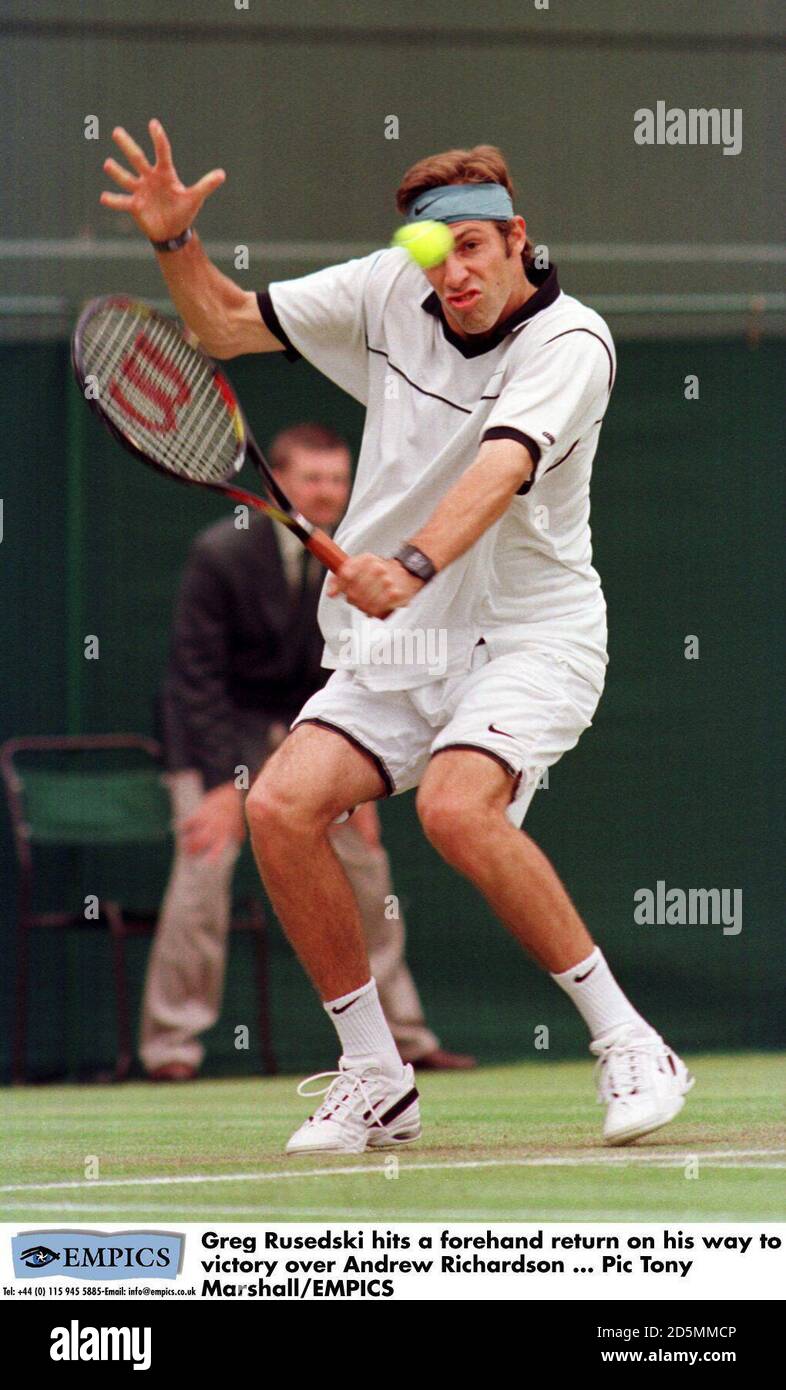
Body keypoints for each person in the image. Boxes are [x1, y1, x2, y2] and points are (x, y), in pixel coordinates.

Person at [102, 122, 693, 1153]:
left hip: (530, 633)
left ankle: (631, 1040)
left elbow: (500, 467)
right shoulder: (388, 290)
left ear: (516, 238)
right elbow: (226, 325)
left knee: (460, 811)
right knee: (282, 805)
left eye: (472, 246)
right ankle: (375, 1073)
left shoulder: (572, 343)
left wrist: (411, 563)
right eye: (433, 251)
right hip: (401, 646)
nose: (452, 271)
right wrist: (175, 246)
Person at [140, 422, 474, 1079]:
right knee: (204, 864)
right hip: (219, 732)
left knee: (368, 868)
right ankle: (170, 1048)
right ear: (280, 483)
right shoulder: (221, 554)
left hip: (311, 728)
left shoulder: (357, 554)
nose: (327, 492)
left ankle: (401, 1036)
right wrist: (218, 787)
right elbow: (194, 682)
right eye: (312, 479)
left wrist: (357, 777)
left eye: (338, 479)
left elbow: (345, 669)